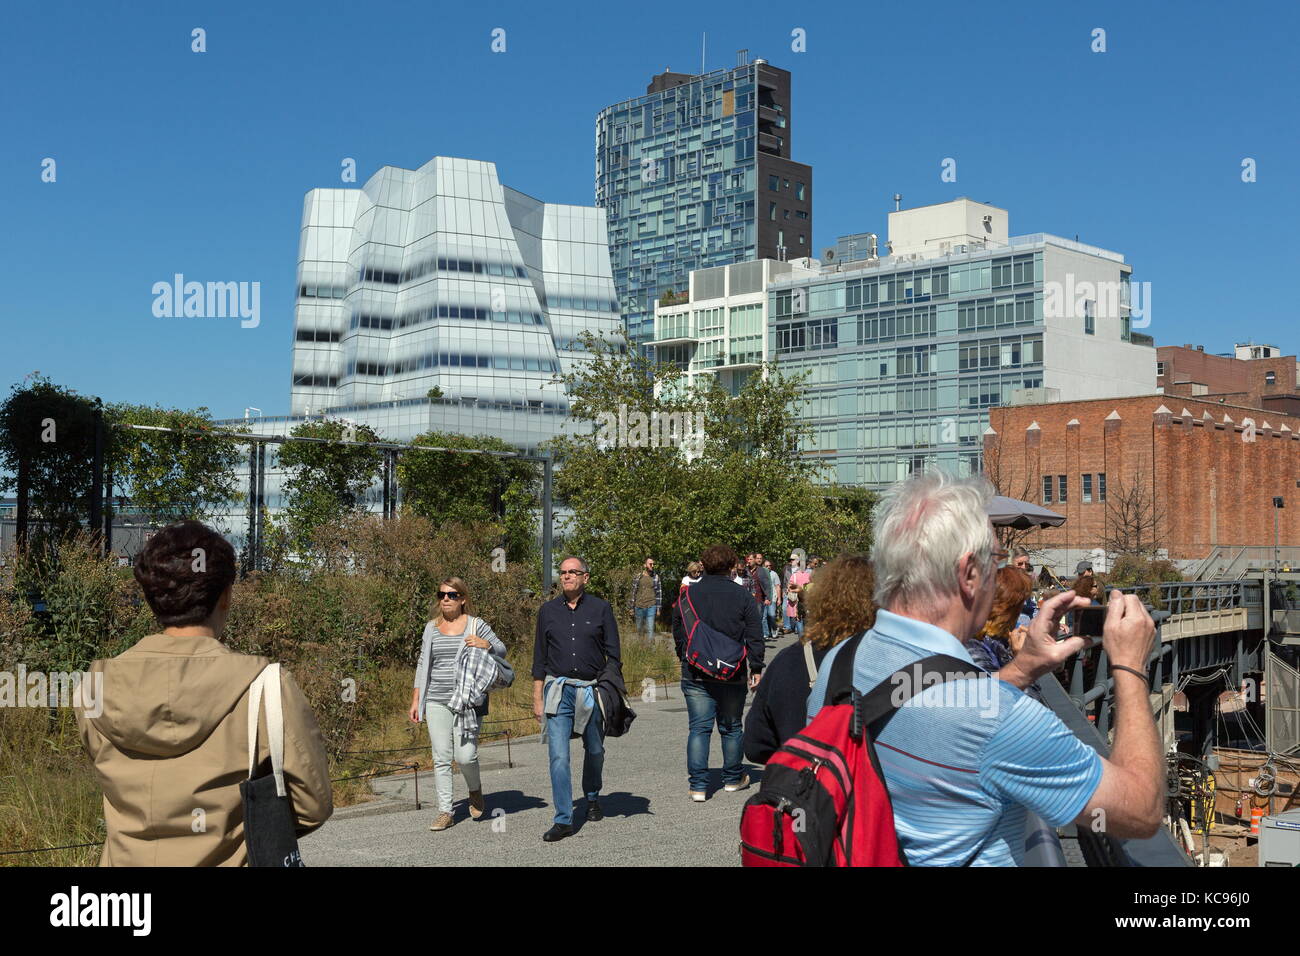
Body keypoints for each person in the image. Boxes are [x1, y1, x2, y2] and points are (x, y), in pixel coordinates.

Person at [806, 472, 1163, 865]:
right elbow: (1142, 810)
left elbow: (917, 697)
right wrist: (1129, 667)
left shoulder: (840, 661)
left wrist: (1023, 668)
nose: (1000, 574)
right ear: (969, 574)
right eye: (996, 560)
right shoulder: (998, 717)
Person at [75, 520, 332, 866]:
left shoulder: (93, 686)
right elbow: (312, 805)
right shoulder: (265, 686)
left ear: (150, 596)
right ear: (225, 595)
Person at [744, 554, 875, 763]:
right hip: (877, 788)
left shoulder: (789, 661)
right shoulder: (895, 661)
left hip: (808, 785)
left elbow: (755, 745)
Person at [532, 557, 621, 842]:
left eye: (573, 572)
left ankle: (592, 796)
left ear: (586, 578)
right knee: (558, 755)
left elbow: (614, 655)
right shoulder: (547, 611)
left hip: (590, 691)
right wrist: (537, 697)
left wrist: (607, 690)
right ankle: (563, 820)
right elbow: (539, 659)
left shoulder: (601, 609)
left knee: (594, 750)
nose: (567, 576)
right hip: (557, 691)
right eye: (563, 572)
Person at [410, 577, 507, 831]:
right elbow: (423, 663)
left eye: (452, 595)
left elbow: (501, 649)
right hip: (436, 699)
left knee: (464, 756)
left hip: (467, 701)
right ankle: (445, 811)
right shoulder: (431, 627)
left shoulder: (476, 625)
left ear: (462, 599)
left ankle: (474, 790)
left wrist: (486, 645)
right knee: (441, 757)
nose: (445, 599)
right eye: (441, 594)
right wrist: (416, 698)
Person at [672, 544, 764, 801]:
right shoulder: (742, 595)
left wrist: (684, 655)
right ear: (731, 565)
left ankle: (699, 785)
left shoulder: (687, 595)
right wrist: (756, 667)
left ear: (703, 564)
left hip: (695, 671)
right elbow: (755, 634)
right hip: (732, 671)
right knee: (732, 726)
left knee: (699, 728)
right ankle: (733, 778)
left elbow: (678, 629)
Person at [965, 566, 1042, 703]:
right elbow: (1023, 707)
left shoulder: (993, 642)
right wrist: (1023, 661)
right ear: (1009, 608)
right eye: (1020, 605)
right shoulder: (974, 649)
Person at [627, 557, 662, 641]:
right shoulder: (638, 577)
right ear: (645, 565)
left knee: (650, 629)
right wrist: (631, 608)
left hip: (651, 606)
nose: (652, 566)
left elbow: (659, 594)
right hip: (639, 606)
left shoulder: (656, 577)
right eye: (650, 564)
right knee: (640, 630)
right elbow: (633, 592)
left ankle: (650, 650)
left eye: (653, 564)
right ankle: (641, 648)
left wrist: (658, 609)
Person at [762, 559, 781, 642]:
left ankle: (774, 629)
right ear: (763, 566)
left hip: (772, 598)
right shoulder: (761, 574)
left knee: (772, 615)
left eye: (769, 565)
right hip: (763, 598)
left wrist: (779, 598)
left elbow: (777, 586)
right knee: (764, 617)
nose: (768, 567)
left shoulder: (774, 574)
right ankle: (766, 633)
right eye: (766, 566)